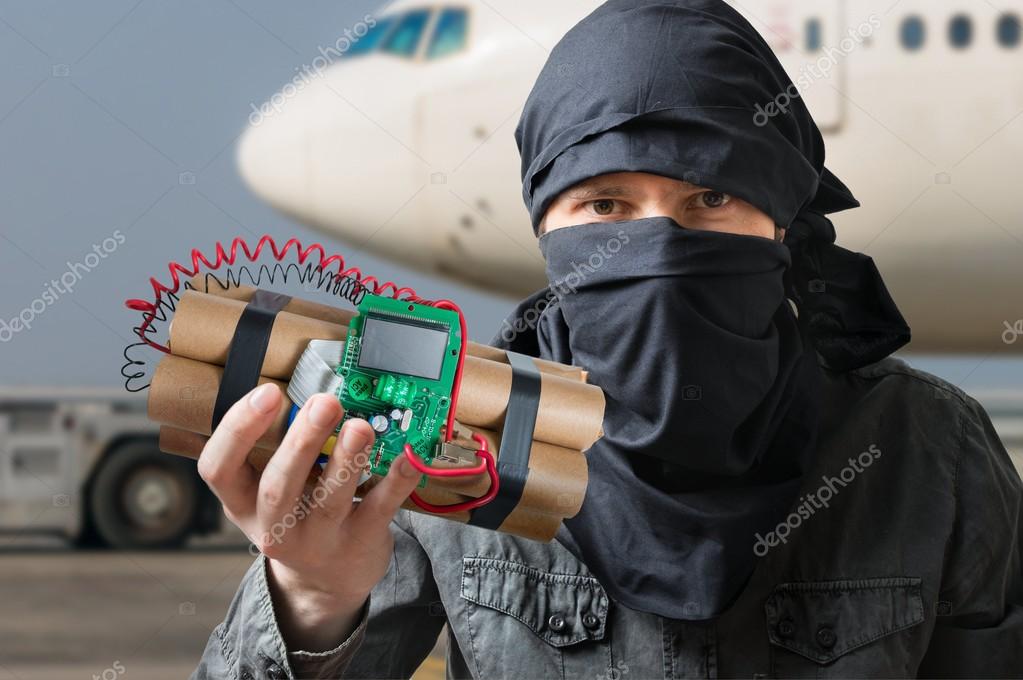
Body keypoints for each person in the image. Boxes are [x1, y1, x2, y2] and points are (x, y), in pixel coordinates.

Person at [192, 1, 1023, 677]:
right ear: (544, 225)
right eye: (604, 205)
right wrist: (311, 602)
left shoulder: (925, 445)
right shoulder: (451, 447)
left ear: (781, 221)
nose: (658, 246)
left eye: (710, 199)